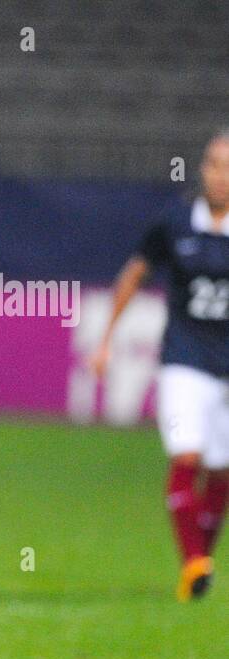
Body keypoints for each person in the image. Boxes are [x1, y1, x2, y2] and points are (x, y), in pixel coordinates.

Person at [91, 130, 229, 600]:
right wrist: (106, 340)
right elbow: (134, 274)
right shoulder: (175, 222)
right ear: (202, 169)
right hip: (183, 359)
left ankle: (199, 565)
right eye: (213, 164)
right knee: (187, 456)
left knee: (221, 469)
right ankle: (194, 562)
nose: (220, 176)